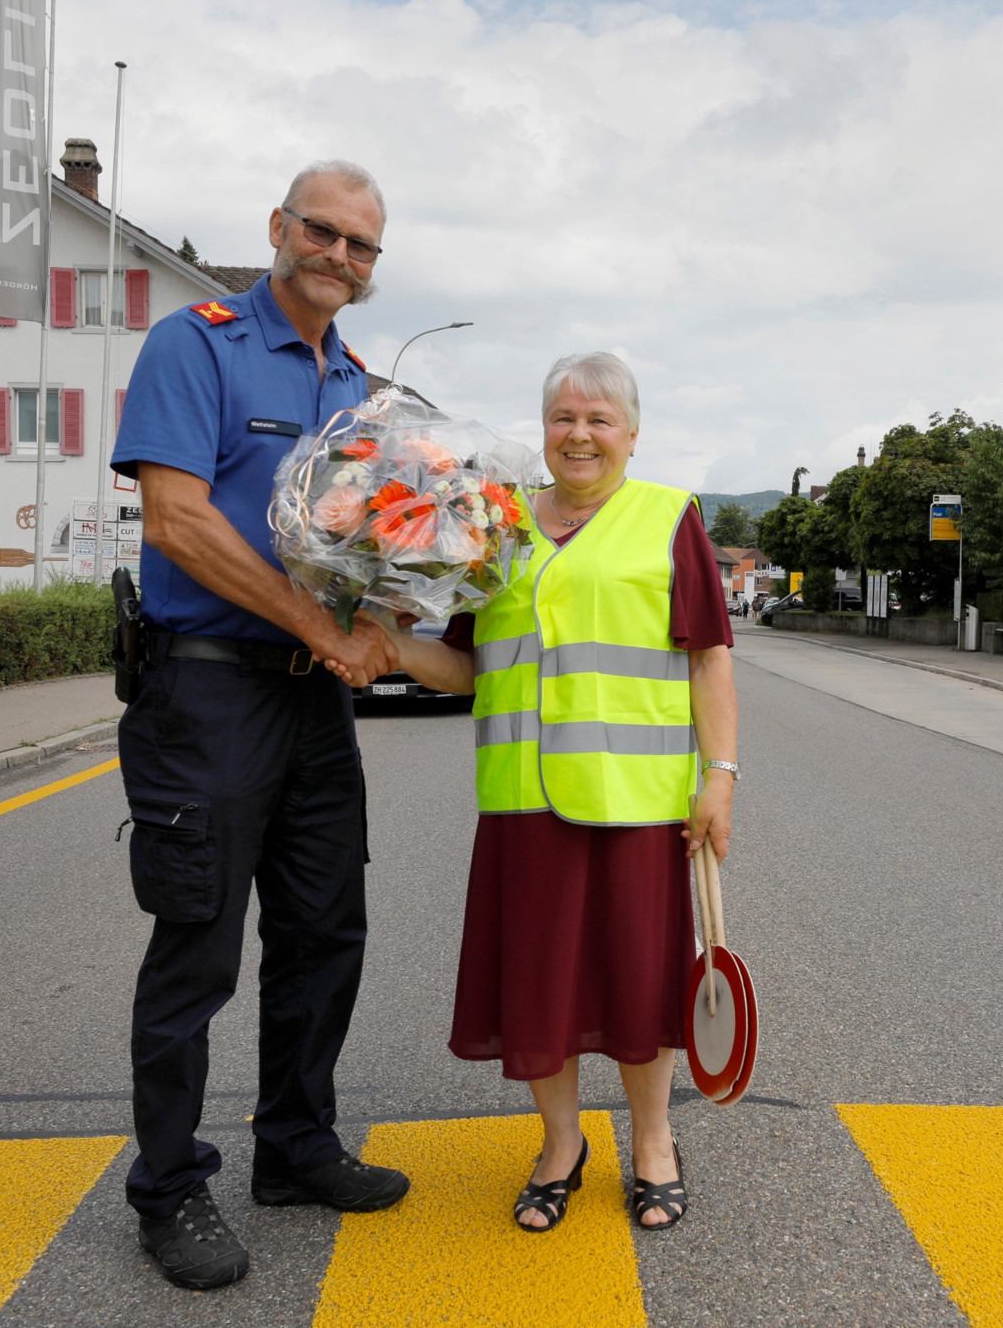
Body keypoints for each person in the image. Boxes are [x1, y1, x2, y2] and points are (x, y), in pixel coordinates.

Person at [109, 160, 410, 1292]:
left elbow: (375, 545)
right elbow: (179, 522)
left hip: (311, 697)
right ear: (277, 227)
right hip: (207, 690)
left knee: (325, 929)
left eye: (362, 247)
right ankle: (169, 1185)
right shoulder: (199, 343)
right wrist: (320, 627)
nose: (339, 256)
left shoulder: (360, 386)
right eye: (323, 233)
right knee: (197, 943)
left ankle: (294, 1147)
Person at [383, 352, 739, 1233]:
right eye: (563, 418)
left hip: (641, 802)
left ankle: (653, 1142)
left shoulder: (668, 519)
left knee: (640, 976)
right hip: (522, 802)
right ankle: (561, 1145)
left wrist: (720, 776)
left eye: (599, 419)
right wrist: (387, 646)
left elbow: (708, 656)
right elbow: (464, 664)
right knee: (540, 982)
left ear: (631, 433)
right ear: (543, 432)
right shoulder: (494, 528)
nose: (580, 434)